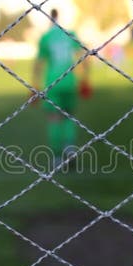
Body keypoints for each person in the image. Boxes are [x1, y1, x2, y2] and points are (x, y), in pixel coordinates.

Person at [32, 9, 90, 167]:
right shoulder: (69, 33)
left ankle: (57, 157)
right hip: (70, 81)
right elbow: (84, 57)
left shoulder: (45, 37)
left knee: (54, 119)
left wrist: (34, 85)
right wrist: (85, 80)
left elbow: (38, 63)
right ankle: (70, 148)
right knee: (69, 115)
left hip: (52, 83)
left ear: (49, 19)